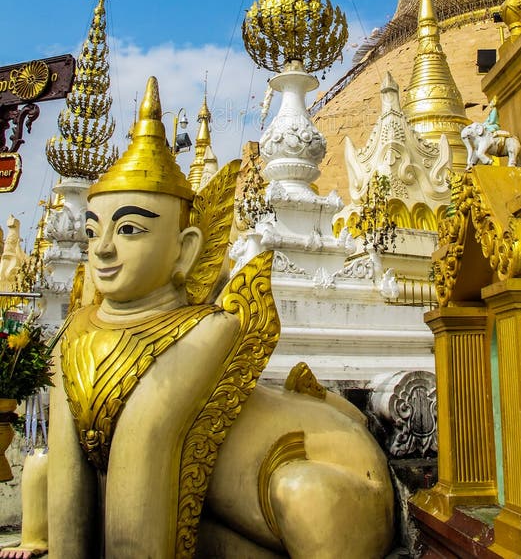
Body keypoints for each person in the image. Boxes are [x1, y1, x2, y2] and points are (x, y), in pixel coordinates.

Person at [44, 77, 393, 559]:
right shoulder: (76, 332)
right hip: (228, 519)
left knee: (300, 493)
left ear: (186, 250)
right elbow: (68, 476)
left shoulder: (204, 328)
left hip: (319, 493)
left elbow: (143, 445)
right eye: (93, 230)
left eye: (128, 230)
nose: (102, 249)